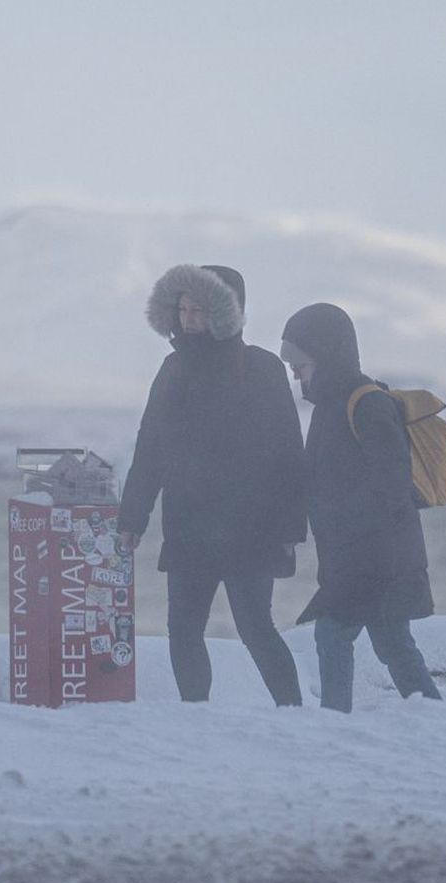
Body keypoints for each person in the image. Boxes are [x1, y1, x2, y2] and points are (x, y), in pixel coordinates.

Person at [117, 264, 308, 707]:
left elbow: (288, 454)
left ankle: (294, 714)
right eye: (183, 310)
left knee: (255, 627)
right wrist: (132, 517)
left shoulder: (261, 368)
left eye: (199, 311)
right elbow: (151, 447)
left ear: (229, 311)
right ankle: (194, 717)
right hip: (189, 525)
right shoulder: (172, 369)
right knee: (182, 629)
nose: (189, 320)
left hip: (251, 531)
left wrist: (289, 531)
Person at [280, 302, 442, 713]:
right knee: (393, 643)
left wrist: (351, 528)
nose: (297, 374)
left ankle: (336, 722)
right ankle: (433, 714)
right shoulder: (331, 408)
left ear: (327, 355)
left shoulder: (366, 404)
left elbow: (391, 485)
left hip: (373, 559)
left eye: (301, 363)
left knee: (333, 634)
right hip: (363, 556)